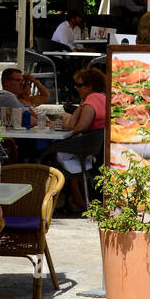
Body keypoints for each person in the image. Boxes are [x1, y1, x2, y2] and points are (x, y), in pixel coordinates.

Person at [59, 67, 108, 210]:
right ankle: (77, 200)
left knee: (52, 157)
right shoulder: (103, 97)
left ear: (90, 86)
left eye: (80, 85)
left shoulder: (91, 100)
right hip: (95, 151)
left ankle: (77, 201)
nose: (77, 88)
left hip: (86, 151)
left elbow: (79, 127)